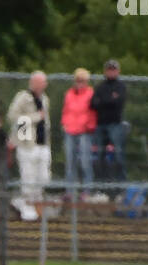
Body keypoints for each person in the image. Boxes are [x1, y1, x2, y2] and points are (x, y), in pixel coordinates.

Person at [7, 71, 51, 221]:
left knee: (44, 177)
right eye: (40, 82)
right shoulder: (23, 97)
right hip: (27, 144)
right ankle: (27, 207)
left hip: (43, 144)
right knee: (28, 177)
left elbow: (46, 120)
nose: (43, 85)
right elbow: (14, 117)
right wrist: (36, 117)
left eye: (44, 82)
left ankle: (30, 203)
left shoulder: (44, 99)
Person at [61, 68, 96, 201]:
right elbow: (66, 110)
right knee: (70, 162)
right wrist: (64, 123)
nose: (79, 83)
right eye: (77, 80)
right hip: (70, 130)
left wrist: (89, 126)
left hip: (84, 132)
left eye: (82, 81)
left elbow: (93, 112)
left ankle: (87, 190)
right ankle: (69, 191)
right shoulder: (69, 94)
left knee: (85, 162)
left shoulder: (90, 94)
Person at [91, 59, 128, 184]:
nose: (111, 72)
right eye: (109, 69)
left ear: (118, 71)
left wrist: (103, 101)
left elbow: (118, 103)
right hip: (100, 124)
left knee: (118, 154)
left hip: (115, 124)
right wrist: (110, 100)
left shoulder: (121, 86)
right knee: (99, 154)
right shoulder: (100, 86)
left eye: (113, 69)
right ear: (105, 71)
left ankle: (120, 184)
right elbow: (93, 104)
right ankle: (101, 184)